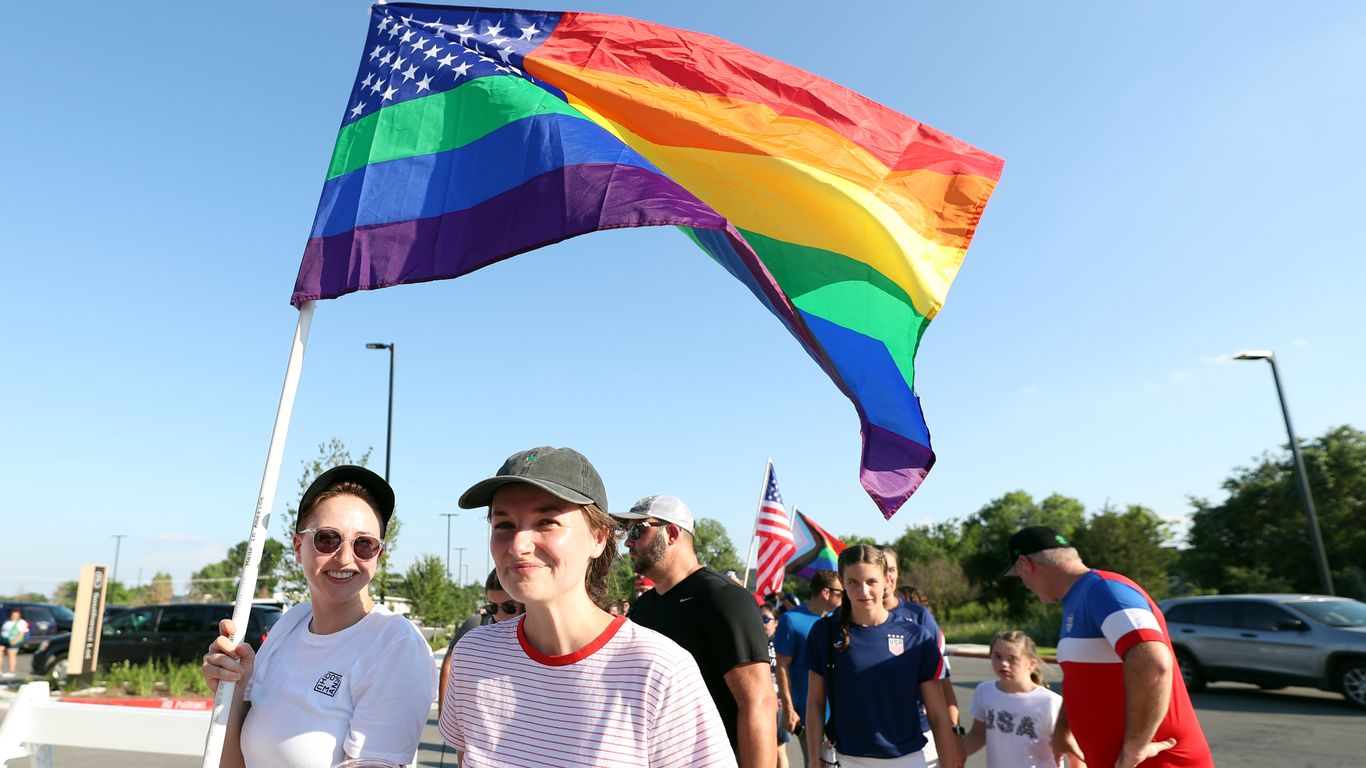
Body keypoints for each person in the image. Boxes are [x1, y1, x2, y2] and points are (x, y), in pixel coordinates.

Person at [439, 446, 734, 767]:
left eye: (546, 521)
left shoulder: (659, 671)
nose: (518, 545)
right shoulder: (474, 656)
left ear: (598, 537)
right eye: (503, 525)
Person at [201, 465, 437, 768]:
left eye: (364, 544)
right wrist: (231, 689)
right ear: (299, 547)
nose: (345, 557)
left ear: (378, 554)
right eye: (327, 539)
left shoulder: (397, 645)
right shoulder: (290, 624)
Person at [1004, 526, 1213, 768]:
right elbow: (1080, 679)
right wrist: (1064, 728)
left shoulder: (1104, 589)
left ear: (1025, 563)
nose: (1024, 584)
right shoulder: (1078, 598)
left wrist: (1135, 747)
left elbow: (1152, 662)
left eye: (1019, 575)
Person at [621, 494, 777, 768]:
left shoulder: (723, 598)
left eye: (637, 530)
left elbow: (758, 703)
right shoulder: (643, 607)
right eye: (626, 532)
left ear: (671, 533)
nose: (628, 542)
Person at [804, 545, 957, 768]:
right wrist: (813, 758)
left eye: (871, 582)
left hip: (909, 760)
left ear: (886, 579)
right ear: (841, 580)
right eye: (853, 582)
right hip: (846, 760)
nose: (863, 591)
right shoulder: (824, 632)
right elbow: (815, 703)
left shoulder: (916, 636)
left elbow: (938, 714)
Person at [881, 546, 964, 768]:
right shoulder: (846, 620)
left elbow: (941, 675)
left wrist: (954, 726)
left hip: (918, 730)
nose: (887, 576)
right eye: (881, 569)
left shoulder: (919, 616)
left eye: (892, 569)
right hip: (868, 736)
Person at [963, 630, 1066, 768]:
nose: (1004, 663)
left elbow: (1070, 749)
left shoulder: (1050, 702)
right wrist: (955, 753)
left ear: (1032, 664)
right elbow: (978, 734)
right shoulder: (985, 691)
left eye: (1012, 659)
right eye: (997, 656)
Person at [774, 569, 843, 764]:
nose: (845, 597)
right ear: (826, 592)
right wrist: (788, 708)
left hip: (842, 708)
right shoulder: (791, 619)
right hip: (809, 710)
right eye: (841, 593)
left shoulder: (839, 620)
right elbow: (782, 666)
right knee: (816, 762)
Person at [437, 568, 523, 714]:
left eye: (509, 607)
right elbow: (449, 665)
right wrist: (444, 716)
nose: (500, 615)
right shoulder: (476, 625)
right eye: (493, 607)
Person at [760, 603, 792, 768]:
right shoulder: (755, 642)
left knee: (779, 750)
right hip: (761, 704)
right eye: (759, 618)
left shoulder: (780, 643)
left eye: (766, 619)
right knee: (762, 750)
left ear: (776, 622)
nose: (762, 622)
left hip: (778, 704)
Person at [1, 609, 29, 676]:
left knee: (11, 655)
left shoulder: (21, 622)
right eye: (13, 614)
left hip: (14, 641)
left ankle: (11, 671)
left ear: (19, 615)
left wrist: (14, 641)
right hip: (4, 641)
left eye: (16, 615)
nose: (14, 616)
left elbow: (21, 633)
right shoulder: (8, 621)